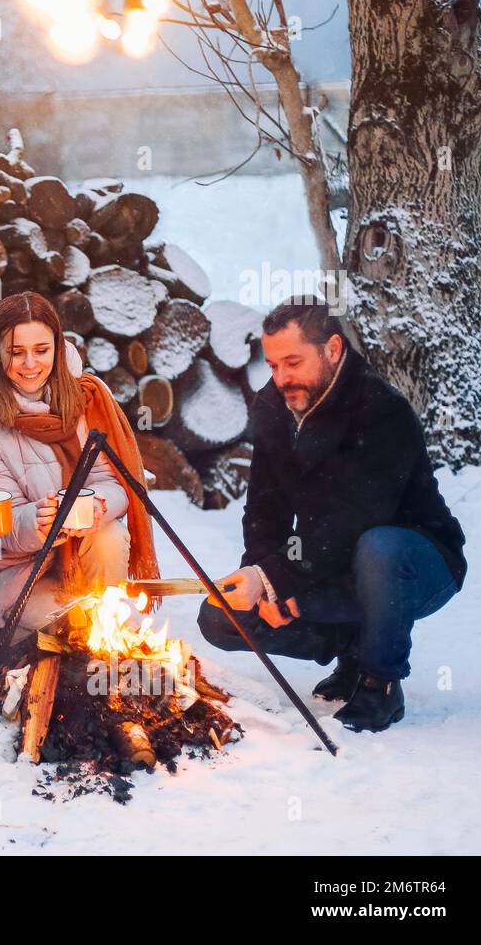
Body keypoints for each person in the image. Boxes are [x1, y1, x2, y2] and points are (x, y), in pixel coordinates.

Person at [198, 296, 466, 733]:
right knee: (220, 617)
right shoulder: (273, 405)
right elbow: (266, 507)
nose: (281, 378)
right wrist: (261, 581)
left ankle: (380, 681)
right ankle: (354, 653)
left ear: (333, 349)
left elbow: (353, 521)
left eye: (293, 362)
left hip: (416, 562)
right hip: (331, 560)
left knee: (378, 546)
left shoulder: (381, 411)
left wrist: (274, 577)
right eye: (272, 365)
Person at [0, 291, 160, 639]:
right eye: (16, 352)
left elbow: (116, 485)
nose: (30, 364)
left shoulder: (84, 400)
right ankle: (28, 634)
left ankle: (104, 627)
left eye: (41, 350)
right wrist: (37, 522)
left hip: (80, 554)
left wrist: (97, 504)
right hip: (21, 570)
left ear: (56, 347)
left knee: (110, 537)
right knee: (72, 630)